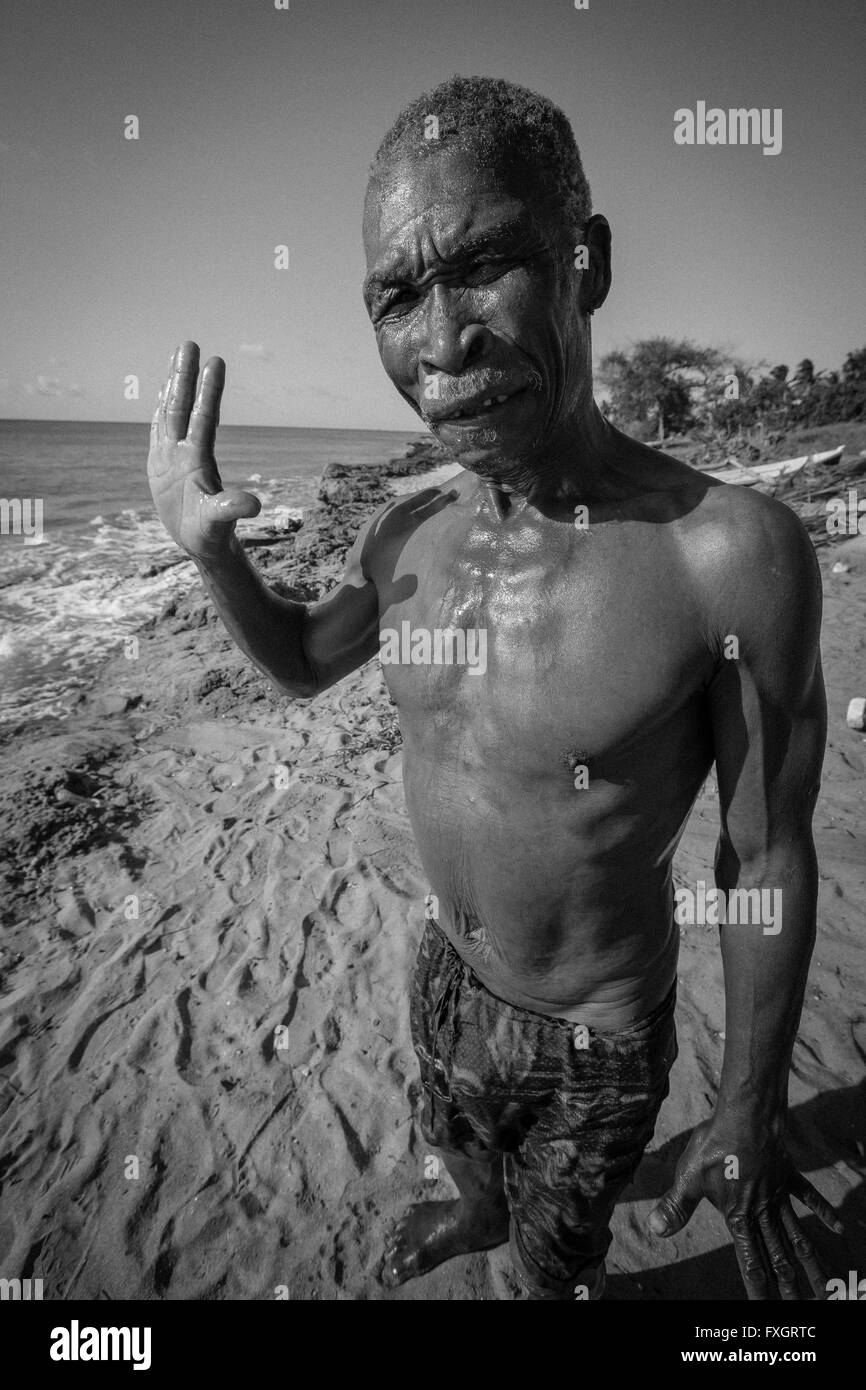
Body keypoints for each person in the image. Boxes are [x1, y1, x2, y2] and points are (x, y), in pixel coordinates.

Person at [147, 75, 841, 1300]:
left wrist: (745, 1110)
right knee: (462, 1140)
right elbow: (306, 661)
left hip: (595, 1036)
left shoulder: (726, 557)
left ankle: (521, 1243)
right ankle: (471, 1197)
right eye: (397, 294)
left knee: (552, 1260)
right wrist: (212, 552)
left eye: (483, 267)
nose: (442, 340)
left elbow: (768, 856)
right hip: (442, 969)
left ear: (588, 261)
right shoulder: (407, 535)